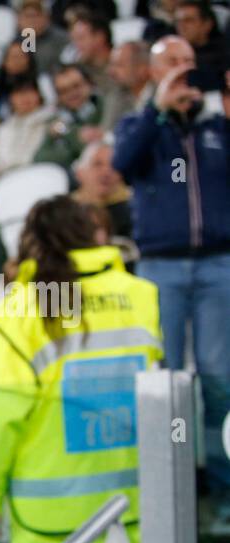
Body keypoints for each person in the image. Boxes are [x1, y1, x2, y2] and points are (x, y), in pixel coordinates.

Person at [0, 197, 162, 543]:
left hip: (45, 530)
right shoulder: (141, 295)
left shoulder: (19, 309)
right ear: (93, 235)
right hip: (133, 519)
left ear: (29, 244)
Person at [112, 35, 230, 493]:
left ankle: (221, 491)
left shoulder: (216, 127)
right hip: (161, 268)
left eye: (189, 62)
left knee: (219, 380)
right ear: (155, 73)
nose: (184, 71)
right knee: (161, 379)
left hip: (217, 264)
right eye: (173, 63)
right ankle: (165, 487)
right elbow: (123, 163)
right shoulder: (138, 125)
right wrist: (158, 111)